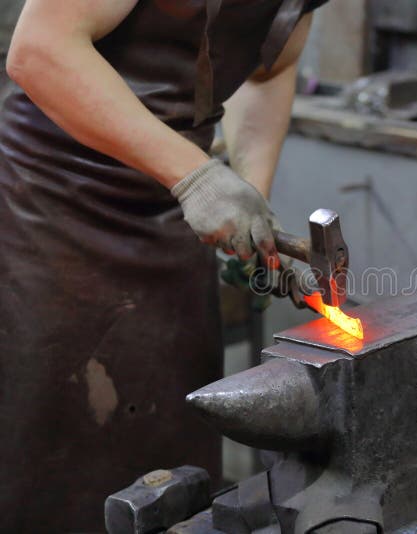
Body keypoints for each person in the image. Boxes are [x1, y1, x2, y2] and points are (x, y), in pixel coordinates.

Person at [0, 0, 327, 530]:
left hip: (172, 216)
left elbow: (269, 71)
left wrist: (247, 202)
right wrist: (197, 178)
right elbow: (39, 51)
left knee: (172, 466)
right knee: (41, 464)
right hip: (52, 211)